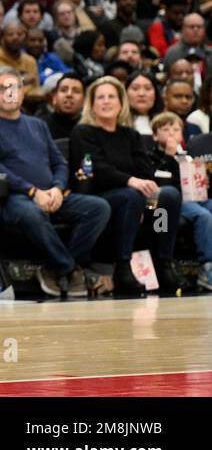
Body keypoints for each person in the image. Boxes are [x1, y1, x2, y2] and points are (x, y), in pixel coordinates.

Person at [0, 67, 111, 297]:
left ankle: (54, 268)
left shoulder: (37, 125)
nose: (8, 93)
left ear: (22, 93)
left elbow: (60, 163)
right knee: (31, 213)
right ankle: (71, 269)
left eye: (13, 87)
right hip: (12, 200)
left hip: (51, 194)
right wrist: (32, 191)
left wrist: (56, 188)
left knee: (98, 208)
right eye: (2, 88)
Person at [68, 76, 183, 298]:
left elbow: (145, 171)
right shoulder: (83, 132)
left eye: (112, 96)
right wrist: (131, 182)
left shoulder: (131, 135)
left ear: (121, 103)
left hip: (137, 201)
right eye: (100, 97)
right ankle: (123, 265)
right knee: (132, 196)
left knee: (167, 197)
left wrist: (145, 188)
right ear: (92, 104)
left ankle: (163, 261)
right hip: (99, 196)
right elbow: (96, 168)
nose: (106, 101)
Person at [150, 111, 212, 291]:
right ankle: (207, 267)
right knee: (204, 216)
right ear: (155, 135)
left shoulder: (188, 157)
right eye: (165, 129)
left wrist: (203, 180)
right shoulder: (152, 157)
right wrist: (169, 157)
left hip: (197, 197)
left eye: (176, 129)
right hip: (173, 203)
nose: (171, 133)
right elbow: (161, 185)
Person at [40, 74, 86, 139]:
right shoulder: (39, 127)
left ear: (84, 100)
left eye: (76, 91)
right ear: (54, 97)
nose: (69, 94)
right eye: (64, 90)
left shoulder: (91, 129)